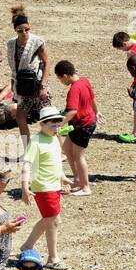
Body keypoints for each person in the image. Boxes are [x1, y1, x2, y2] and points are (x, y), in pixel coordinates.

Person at [19, 104, 70, 270]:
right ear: (42, 124)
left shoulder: (54, 138)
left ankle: (27, 245)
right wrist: (25, 187)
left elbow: (55, 161)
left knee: (50, 219)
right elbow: (26, 165)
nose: (56, 127)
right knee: (54, 221)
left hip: (54, 185)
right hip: (43, 187)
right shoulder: (36, 141)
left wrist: (63, 177)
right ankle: (53, 257)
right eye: (52, 124)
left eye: (57, 124)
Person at [6, 6, 50, 146]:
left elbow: (47, 62)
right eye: (20, 30)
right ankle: (28, 149)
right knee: (20, 118)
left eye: (27, 29)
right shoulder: (11, 44)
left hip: (37, 85)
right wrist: (13, 86)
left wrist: (43, 85)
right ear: (15, 30)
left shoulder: (37, 42)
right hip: (22, 87)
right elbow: (14, 67)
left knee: (48, 118)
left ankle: (60, 150)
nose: (24, 32)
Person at [54, 60, 96, 196]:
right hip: (79, 124)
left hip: (83, 125)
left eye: (60, 78)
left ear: (65, 75)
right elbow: (92, 98)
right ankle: (78, 180)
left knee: (79, 156)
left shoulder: (74, 89)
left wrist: (58, 126)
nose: (61, 82)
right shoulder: (84, 80)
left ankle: (86, 187)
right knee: (66, 148)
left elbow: (72, 111)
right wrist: (97, 111)